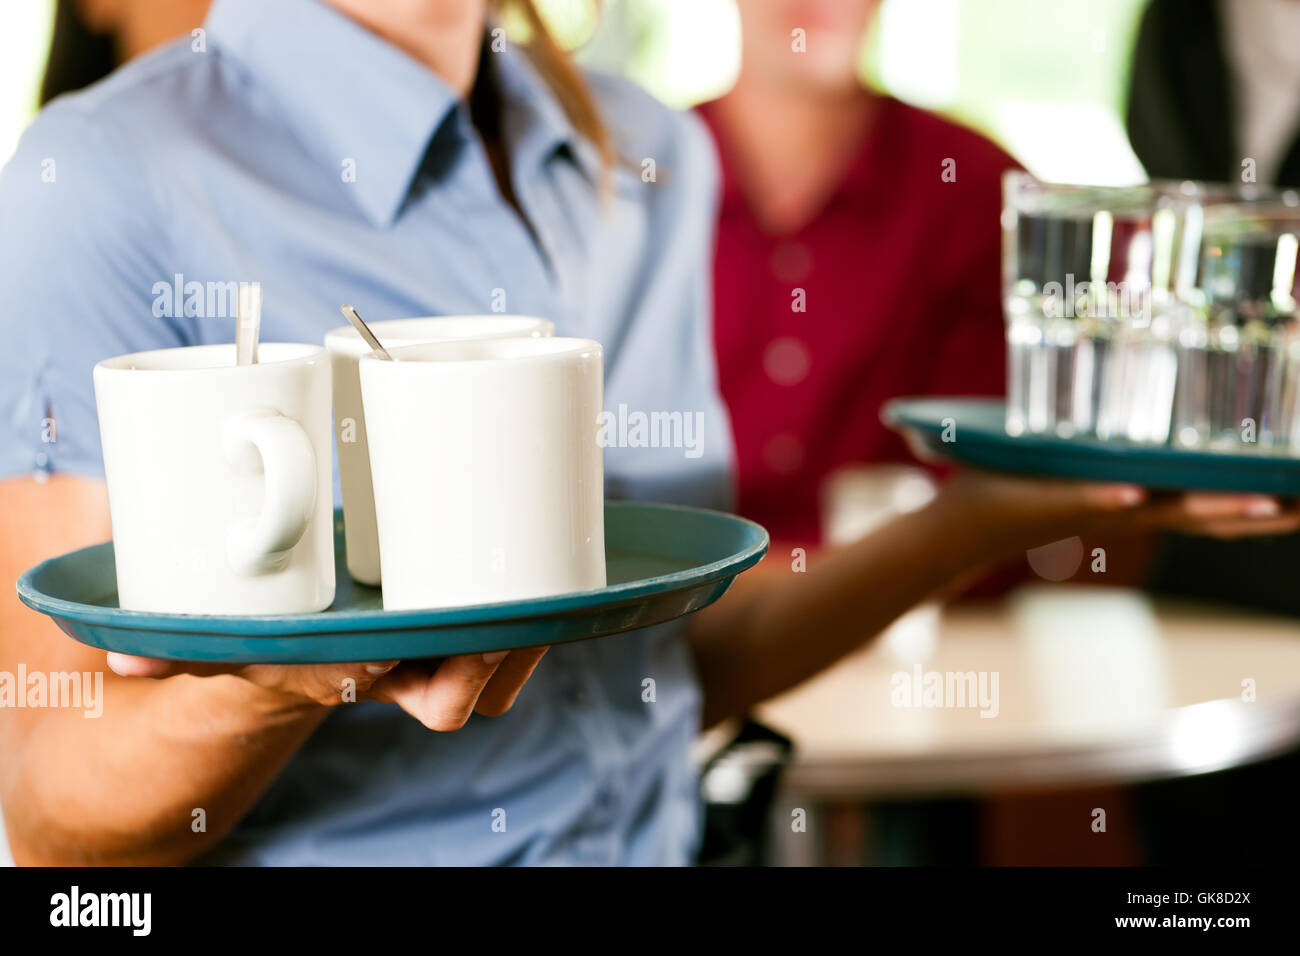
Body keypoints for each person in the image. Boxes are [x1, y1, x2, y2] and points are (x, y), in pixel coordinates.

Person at [1, 0, 1293, 867]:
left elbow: (672, 661)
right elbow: (52, 805)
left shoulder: (643, 158)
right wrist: (294, 676)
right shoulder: (107, 178)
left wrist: (1016, 506)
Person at [699, 0, 1015, 547]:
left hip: (921, 616)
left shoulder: (976, 190)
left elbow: (994, 497)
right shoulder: (621, 180)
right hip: (660, 616)